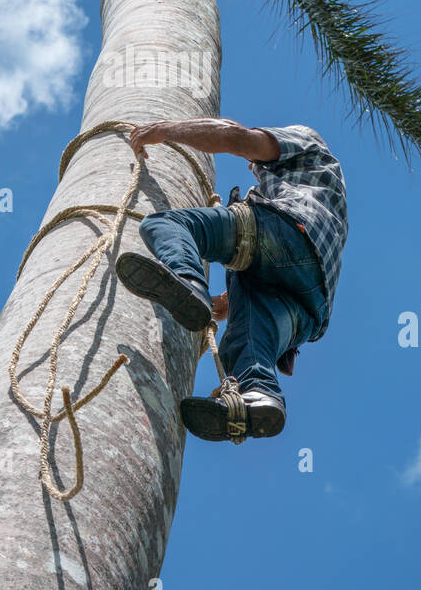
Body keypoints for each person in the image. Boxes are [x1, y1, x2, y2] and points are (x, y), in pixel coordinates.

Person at [115, 118, 348, 443]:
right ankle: (258, 399)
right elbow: (280, 265)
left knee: (167, 226)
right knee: (243, 344)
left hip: (291, 233)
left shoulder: (306, 144)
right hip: (307, 304)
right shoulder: (327, 196)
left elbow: (237, 137)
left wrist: (165, 131)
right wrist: (217, 305)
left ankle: (186, 278)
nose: (254, 166)